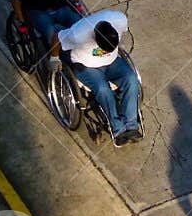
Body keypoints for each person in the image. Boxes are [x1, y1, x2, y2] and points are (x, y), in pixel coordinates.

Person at [55, 9, 142, 146]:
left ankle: (131, 126)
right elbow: (57, 39)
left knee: (131, 78)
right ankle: (118, 129)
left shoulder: (119, 20)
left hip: (112, 62)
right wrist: (54, 59)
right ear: (95, 38)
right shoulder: (79, 33)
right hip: (86, 65)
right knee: (103, 89)